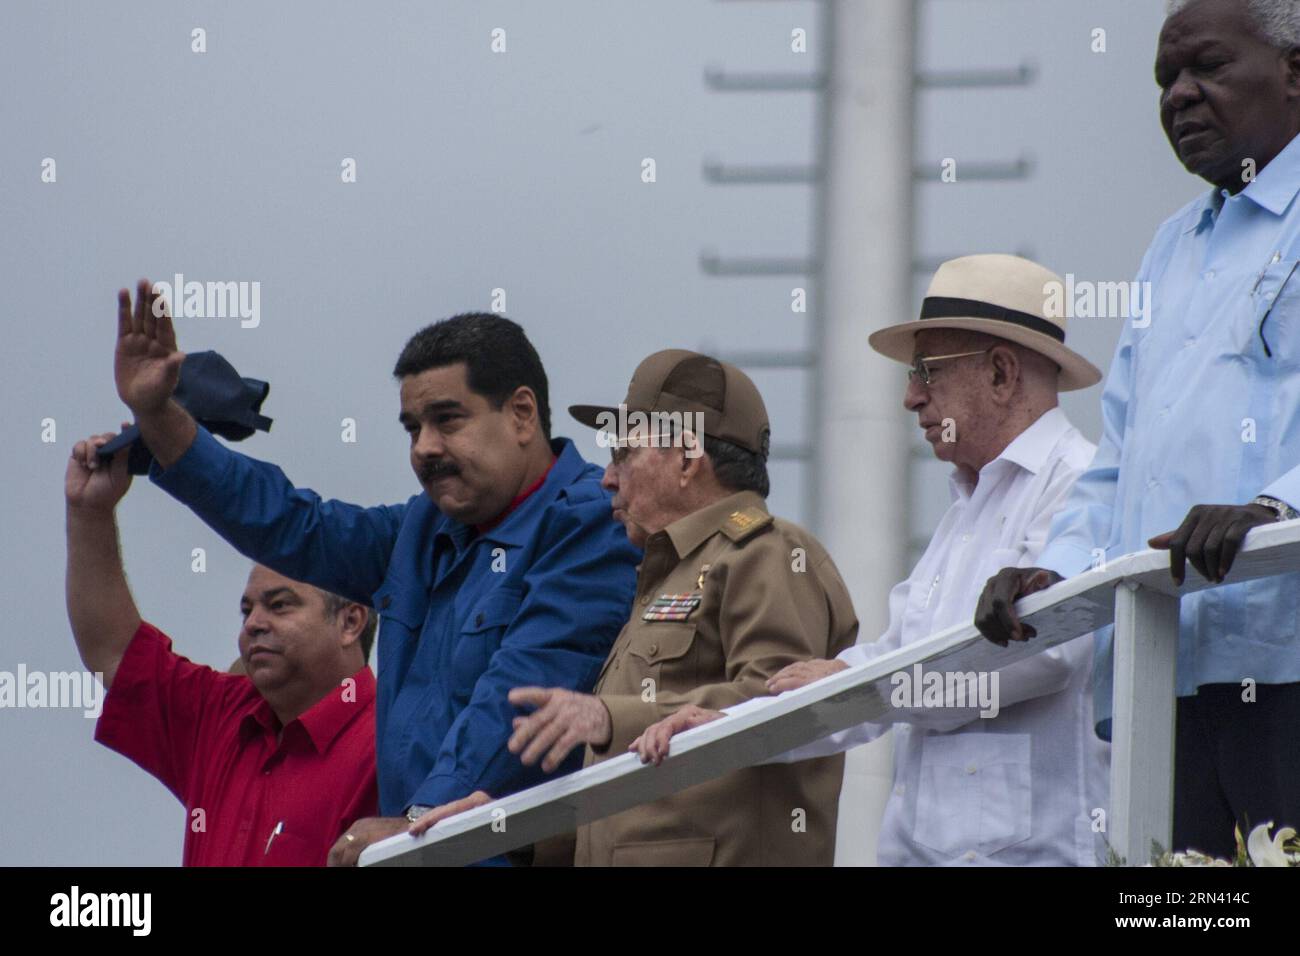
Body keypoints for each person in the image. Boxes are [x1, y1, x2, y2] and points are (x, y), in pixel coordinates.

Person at [111, 280, 640, 865]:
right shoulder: (421, 531)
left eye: (447, 420)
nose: (424, 448)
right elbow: (291, 523)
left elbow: (518, 698)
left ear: (521, 414)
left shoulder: (591, 523)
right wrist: (158, 418)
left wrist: (418, 826)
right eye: (412, 428)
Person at [635, 256, 1111, 866]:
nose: (911, 397)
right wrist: (731, 723)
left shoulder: (1079, 485)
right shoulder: (968, 507)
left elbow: (1042, 651)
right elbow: (888, 662)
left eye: (927, 371)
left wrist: (866, 685)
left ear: (1000, 372)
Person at [976, 0, 1300, 859]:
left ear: (1294, 73)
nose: (1180, 97)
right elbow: (1119, 462)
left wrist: (1275, 510)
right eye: (1165, 81)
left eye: (1208, 69)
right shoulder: (1169, 249)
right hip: (1161, 674)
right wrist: (1057, 577)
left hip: (1286, 669)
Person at [416, 350, 859, 865]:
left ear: (688, 460)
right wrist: (502, 827)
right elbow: (631, 805)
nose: (607, 477)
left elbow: (782, 706)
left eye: (624, 453)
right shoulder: (665, 575)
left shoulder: (768, 552)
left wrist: (608, 717)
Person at [67, 427, 379, 866]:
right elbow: (114, 652)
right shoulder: (222, 718)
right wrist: (89, 511)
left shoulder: (400, 737)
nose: (253, 624)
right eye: (246, 610)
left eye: (279, 605)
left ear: (350, 622)